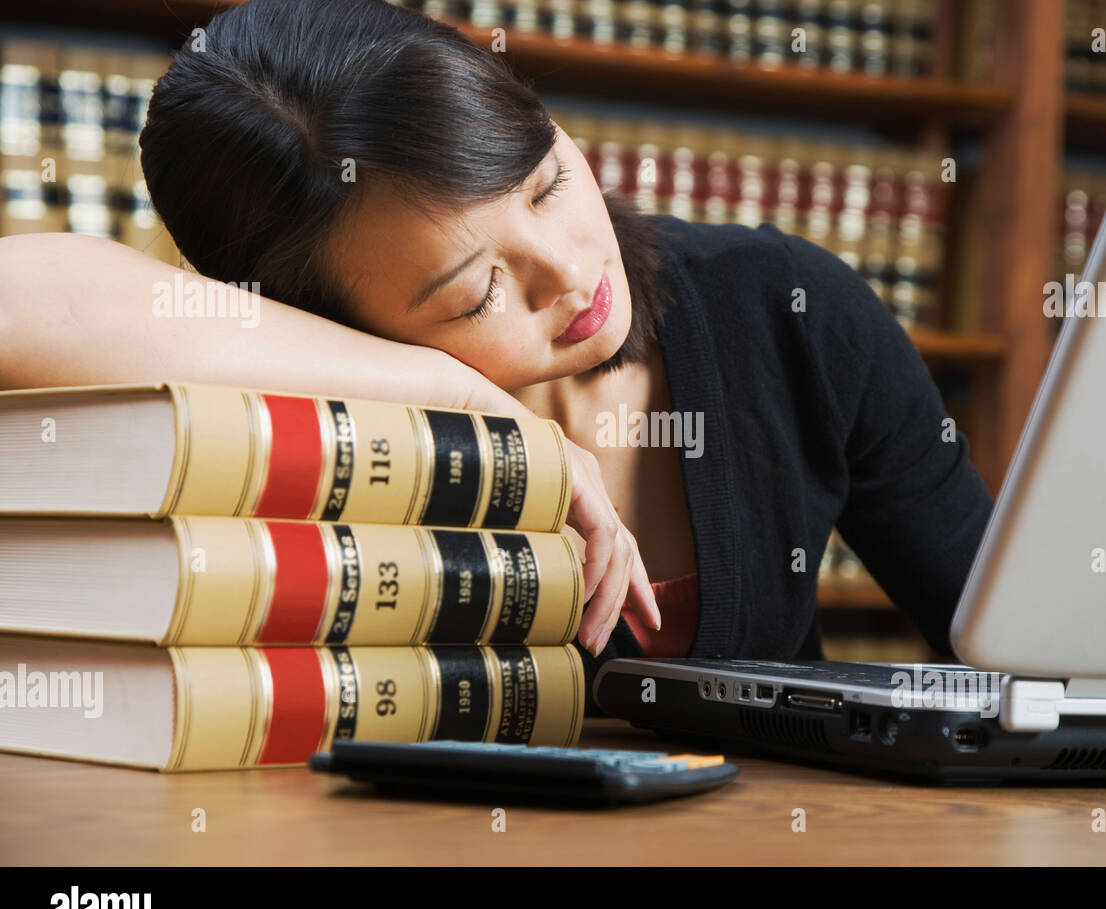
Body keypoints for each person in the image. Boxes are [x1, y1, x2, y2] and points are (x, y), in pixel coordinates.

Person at [0, 0, 993, 709]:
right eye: (475, 293)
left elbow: (1006, 637)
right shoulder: (305, 414)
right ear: (325, 323)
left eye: (547, 180)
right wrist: (444, 389)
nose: (569, 270)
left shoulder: (781, 306)